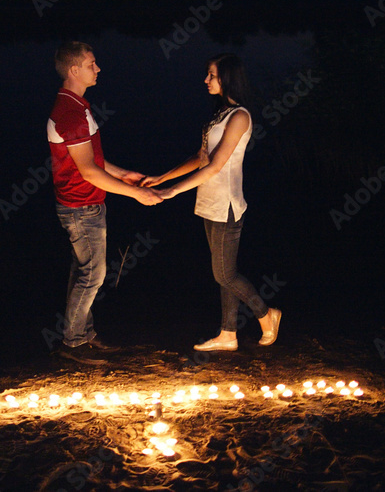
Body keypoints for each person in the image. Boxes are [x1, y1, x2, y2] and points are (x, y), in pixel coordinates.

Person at [144, 53, 281, 351]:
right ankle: (228, 334)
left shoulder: (240, 116)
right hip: (208, 201)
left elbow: (217, 165)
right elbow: (201, 159)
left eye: (211, 75)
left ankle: (266, 313)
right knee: (223, 271)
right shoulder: (219, 114)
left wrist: (172, 192)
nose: (206, 80)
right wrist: (162, 178)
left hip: (227, 205)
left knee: (224, 273)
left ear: (228, 77)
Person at [48, 41, 162, 365]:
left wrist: (124, 174)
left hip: (81, 206)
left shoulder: (76, 105)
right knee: (93, 276)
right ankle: (72, 343)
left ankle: (83, 335)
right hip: (80, 208)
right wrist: (138, 194)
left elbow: (92, 160)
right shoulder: (70, 112)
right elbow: (88, 172)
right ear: (74, 70)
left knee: (83, 271)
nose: (98, 69)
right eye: (91, 64)